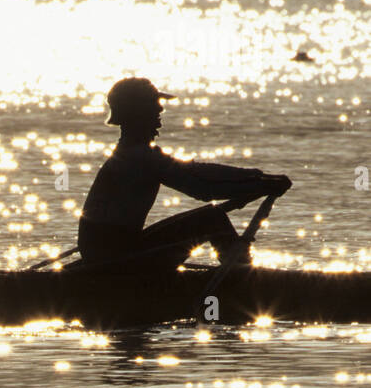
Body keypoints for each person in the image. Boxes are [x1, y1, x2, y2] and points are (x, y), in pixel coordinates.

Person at [77, 77, 291, 272]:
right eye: (154, 104)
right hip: (115, 263)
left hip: (110, 254)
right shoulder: (140, 158)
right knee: (212, 218)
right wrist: (260, 185)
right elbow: (203, 188)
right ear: (138, 112)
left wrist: (257, 178)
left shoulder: (132, 154)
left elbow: (197, 172)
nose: (160, 109)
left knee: (211, 216)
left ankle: (238, 273)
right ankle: (243, 282)